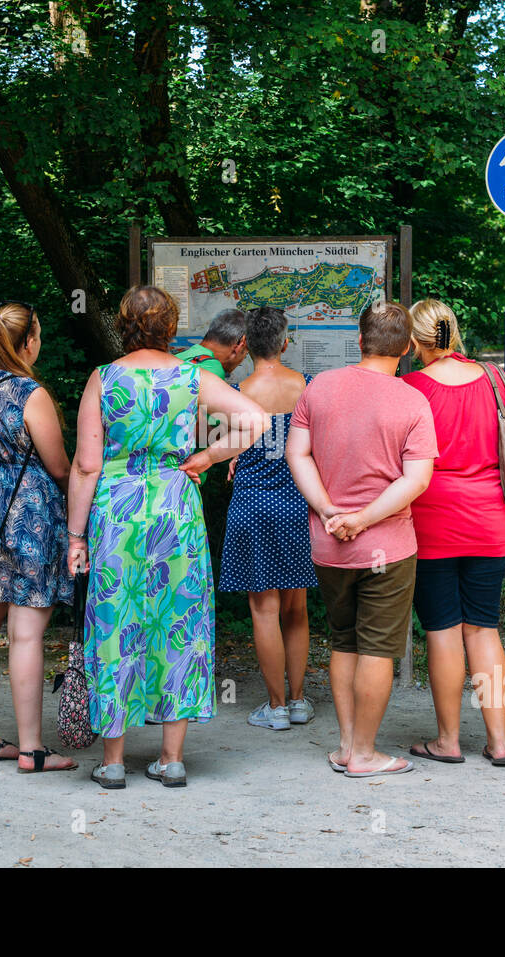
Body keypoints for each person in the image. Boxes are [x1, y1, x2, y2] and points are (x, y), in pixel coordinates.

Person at [67, 286, 265, 789]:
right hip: (176, 507)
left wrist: (75, 536)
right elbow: (256, 420)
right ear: (171, 327)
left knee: (115, 623)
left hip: (118, 511)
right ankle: (171, 760)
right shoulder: (192, 376)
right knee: (180, 620)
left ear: (123, 325)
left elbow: (87, 465)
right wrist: (208, 457)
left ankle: (113, 762)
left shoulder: (104, 378)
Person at [286, 300, 436, 778]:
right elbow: (416, 480)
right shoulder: (412, 400)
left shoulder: (319, 387)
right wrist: (364, 519)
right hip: (386, 547)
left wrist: (329, 510)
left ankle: (347, 745)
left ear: (359, 341)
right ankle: (366, 755)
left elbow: (297, 455)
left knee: (344, 642)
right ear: (407, 348)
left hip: (329, 543)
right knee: (377, 649)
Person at [0, 301, 77, 773]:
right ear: (27, 343)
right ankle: (31, 750)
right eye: (38, 335)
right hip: (28, 516)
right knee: (25, 634)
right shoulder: (31, 393)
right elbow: (59, 466)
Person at [403, 299, 505, 767]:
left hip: (432, 522)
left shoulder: (412, 388)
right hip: (491, 520)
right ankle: (499, 743)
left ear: (414, 342)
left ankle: (448, 741)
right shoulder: (497, 380)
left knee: (442, 630)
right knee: (484, 628)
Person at [219, 307, 317, 731]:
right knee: (297, 608)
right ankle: (297, 701)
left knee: (264, 610)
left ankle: (275, 707)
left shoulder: (236, 392)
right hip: (296, 505)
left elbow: (227, 446)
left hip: (252, 506)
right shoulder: (307, 387)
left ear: (245, 346)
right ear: (284, 343)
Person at [176, 308, 249, 380]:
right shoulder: (213, 371)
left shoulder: (177, 358)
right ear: (241, 345)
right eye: (245, 355)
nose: (241, 361)